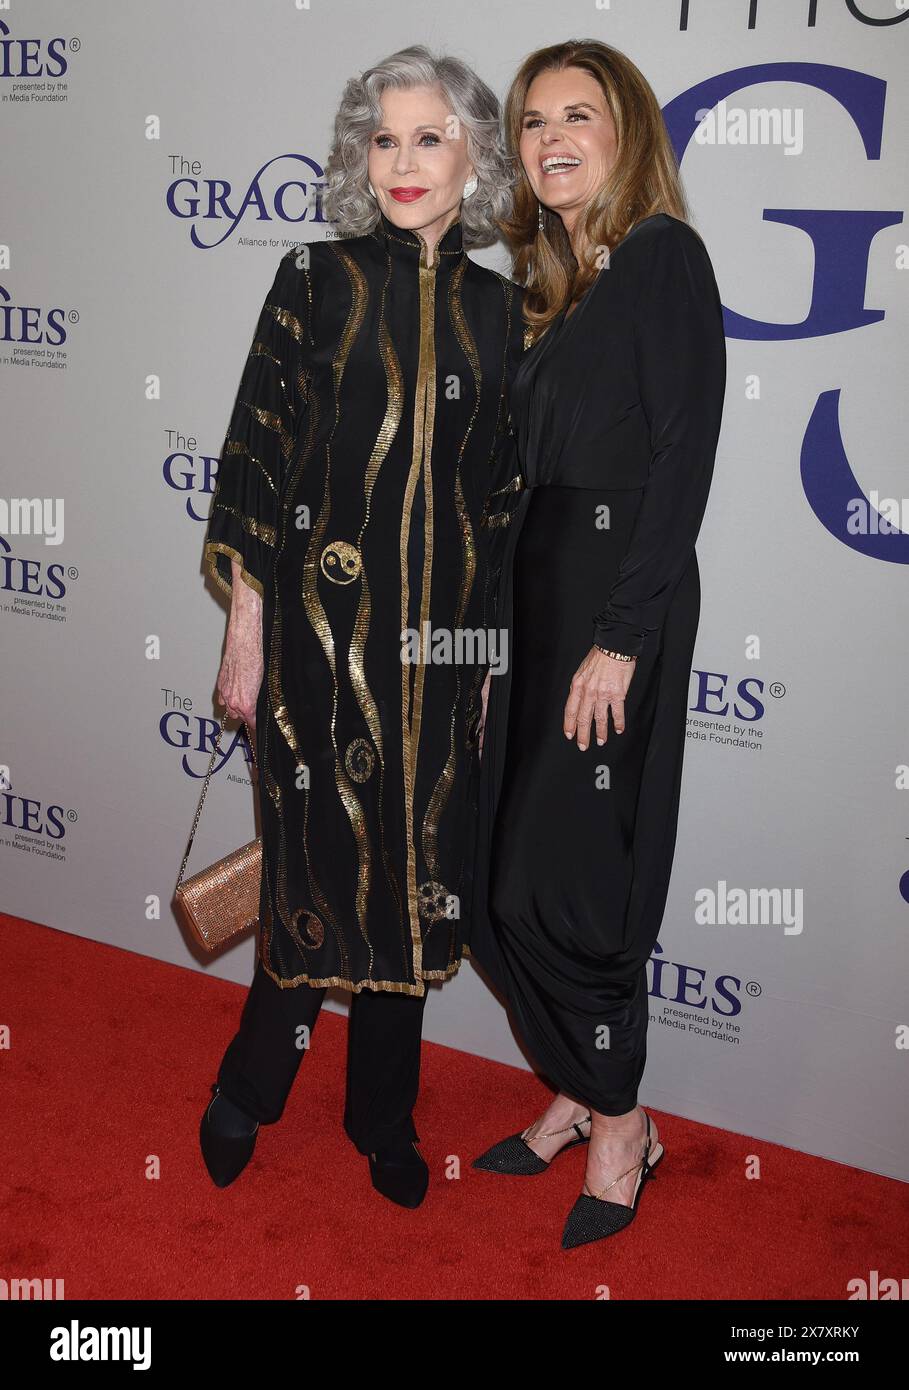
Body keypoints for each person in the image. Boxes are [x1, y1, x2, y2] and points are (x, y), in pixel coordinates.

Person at [198, 45, 525, 1209]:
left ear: (474, 155)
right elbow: (254, 449)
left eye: (428, 137)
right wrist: (245, 624)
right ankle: (250, 1089)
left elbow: (501, 507)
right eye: (383, 138)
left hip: (438, 662)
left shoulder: (506, 311)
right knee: (310, 870)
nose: (402, 160)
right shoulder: (315, 278)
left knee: (415, 881)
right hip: (314, 645)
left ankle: (384, 1115)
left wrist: (486, 665)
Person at [469, 39, 727, 1248]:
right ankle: (581, 1085)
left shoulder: (664, 259)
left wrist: (620, 639)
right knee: (490, 881)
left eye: (580, 114)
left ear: (627, 134)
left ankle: (619, 1121)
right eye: (532, 121)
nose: (552, 137)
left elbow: (683, 459)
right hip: (539, 605)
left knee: (564, 882)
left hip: (612, 603)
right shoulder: (561, 279)